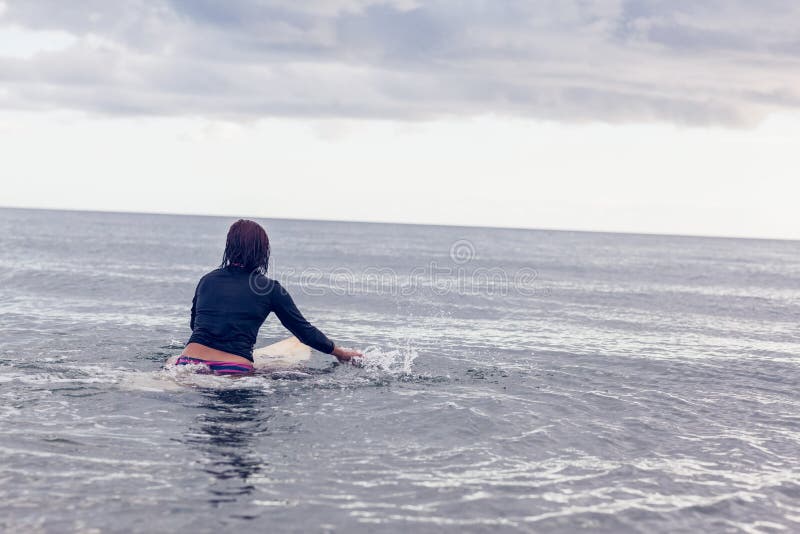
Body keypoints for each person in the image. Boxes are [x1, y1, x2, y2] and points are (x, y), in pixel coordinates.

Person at [174, 219, 363, 375]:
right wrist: (341, 353)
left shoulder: (207, 280)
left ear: (229, 247)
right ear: (263, 252)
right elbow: (304, 332)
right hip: (234, 368)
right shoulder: (270, 289)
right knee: (292, 372)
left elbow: (195, 325)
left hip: (188, 363)